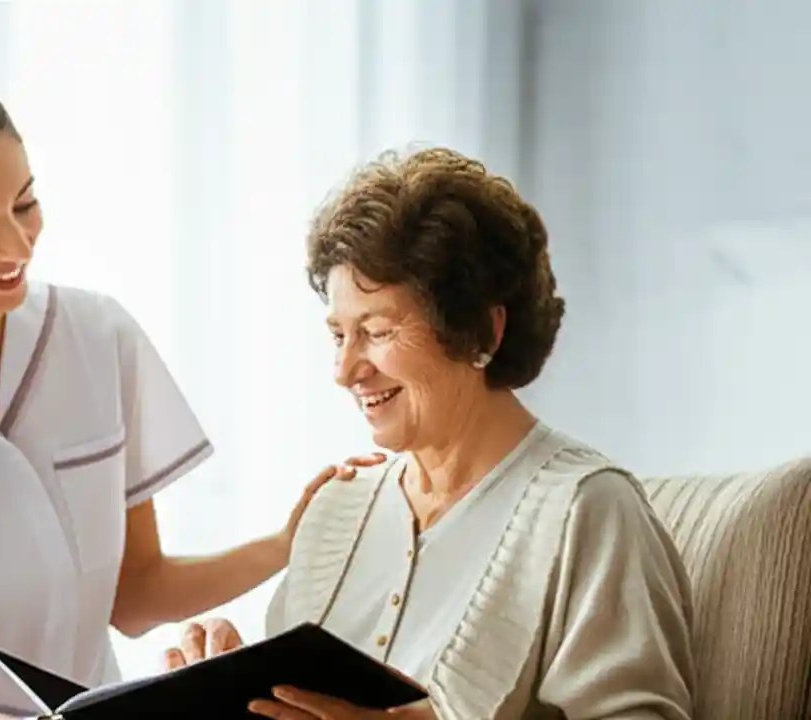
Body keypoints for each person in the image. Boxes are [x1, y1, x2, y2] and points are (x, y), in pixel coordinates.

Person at [0, 69, 364, 720]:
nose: (15, 244)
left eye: (25, 204)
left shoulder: (97, 338)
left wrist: (289, 543)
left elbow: (136, 594)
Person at [165, 147, 696, 719]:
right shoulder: (336, 510)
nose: (345, 372)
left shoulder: (588, 509)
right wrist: (228, 686)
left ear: (480, 331)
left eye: (378, 331)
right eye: (339, 335)